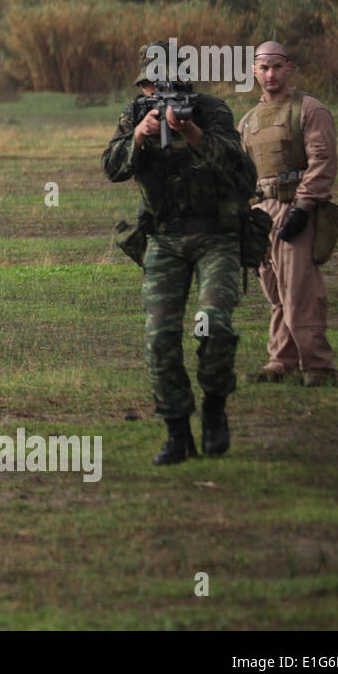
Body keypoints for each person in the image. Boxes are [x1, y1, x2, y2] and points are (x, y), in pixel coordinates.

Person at [102, 42, 257, 464]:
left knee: (213, 325)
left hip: (216, 236)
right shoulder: (136, 113)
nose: (162, 93)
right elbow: (112, 167)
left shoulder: (212, 112)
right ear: (145, 86)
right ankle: (176, 431)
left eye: (170, 84)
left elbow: (242, 173)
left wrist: (191, 133)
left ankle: (214, 407)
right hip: (165, 238)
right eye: (154, 86)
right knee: (160, 340)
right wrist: (138, 136)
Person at [238, 41, 338, 387]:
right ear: (253, 71)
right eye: (263, 67)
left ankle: (319, 366)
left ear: (288, 68)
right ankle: (281, 360)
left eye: (277, 66)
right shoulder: (248, 122)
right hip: (261, 213)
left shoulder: (309, 109)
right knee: (275, 292)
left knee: (300, 292)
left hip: (296, 210)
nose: (270, 74)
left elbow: (322, 160)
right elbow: (242, 174)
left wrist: (303, 205)